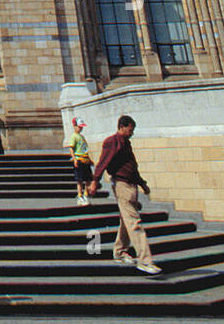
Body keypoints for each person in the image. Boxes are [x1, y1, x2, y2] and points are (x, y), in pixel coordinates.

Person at [88, 115, 161, 273]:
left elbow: (132, 166)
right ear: (121, 127)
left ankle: (120, 252)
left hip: (131, 184)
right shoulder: (112, 141)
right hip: (122, 185)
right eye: (129, 130)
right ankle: (145, 260)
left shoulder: (126, 143)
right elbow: (103, 162)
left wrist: (142, 183)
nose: (131, 133)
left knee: (126, 220)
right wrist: (95, 181)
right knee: (134, 222)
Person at [66, 117, 93, 205]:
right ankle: (80, 195)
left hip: (85, 160)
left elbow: (85, 149)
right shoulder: (74, 136)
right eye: (79, 127)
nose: (80, 128)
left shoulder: (82, 137)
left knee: (88, 179)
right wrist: (74, 159)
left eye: (81, 127)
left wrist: (89, 159)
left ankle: (85, 194)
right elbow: (71, 148)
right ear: (75, 126)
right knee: (80, 180)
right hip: (79, 160)